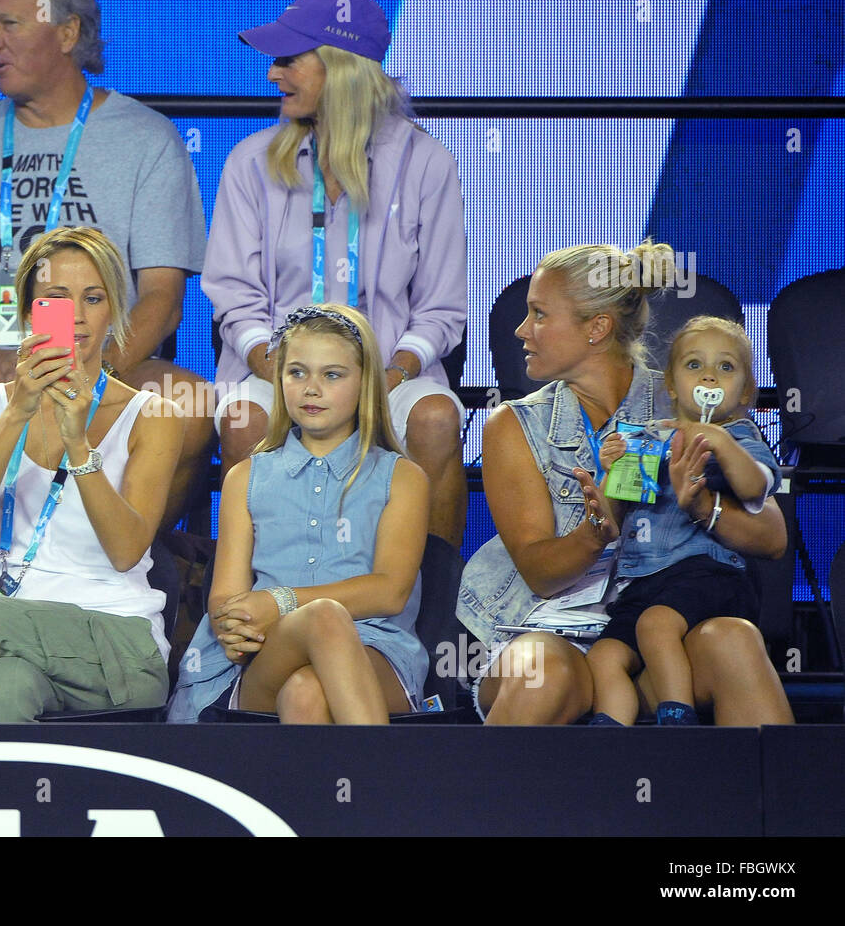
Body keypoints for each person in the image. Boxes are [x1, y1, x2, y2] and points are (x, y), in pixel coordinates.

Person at [0, 0, 209, 533]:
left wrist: (96, 371)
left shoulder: (147, 138)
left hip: (109, 360)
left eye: (9, 24)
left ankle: (145, 548)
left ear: (67, 33)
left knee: (188, 400)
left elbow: (164, 296)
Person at [458, 240, 793, 726]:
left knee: (734, 639)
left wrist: (699, 503)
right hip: (552, 629)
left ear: (597, 328)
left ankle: (786, 800)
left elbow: (773, 539)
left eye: (539, 315)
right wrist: (599, 528)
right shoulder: (513, 425)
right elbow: (540, 573)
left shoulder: (688, 401)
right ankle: (480, 802)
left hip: (657, 632)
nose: (521, 330)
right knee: (541, 670)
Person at [203, 0, 468, 546]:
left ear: (340, 69)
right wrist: (286, 370)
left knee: (438, 419)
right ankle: (244, 599)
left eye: (288, 60)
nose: (274, 75)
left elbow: (441, 309)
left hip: (390, 372)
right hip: (275, 368)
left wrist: (382, 377)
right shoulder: (250, 163)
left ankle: (436, 608)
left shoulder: (427, 164)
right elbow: (233, 295)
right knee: (245, 420)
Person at [0, 227, 183, 723]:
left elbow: (126, 551)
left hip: (118, 643)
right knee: (4, 691)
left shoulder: (153, 415)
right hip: (11, 639)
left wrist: (78, 442)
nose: (78, 316)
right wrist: (17, 412)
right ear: (27, 311)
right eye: (58, 299)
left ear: (114, 311)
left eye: (94, 298)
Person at [168, 303, 430, 725]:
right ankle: (386, 785)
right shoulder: (246, 477)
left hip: (376, 648)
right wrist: (232, 624)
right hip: (268, 648)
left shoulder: (401, 477)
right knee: (321, 621)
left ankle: (349, 789)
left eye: (332, 375)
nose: (311, 388)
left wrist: (281, 600)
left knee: (307, 689)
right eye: (297, 372)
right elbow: (226, 594)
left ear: (364, 383)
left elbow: (389, 592)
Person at [586, 316, 789, 725]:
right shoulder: (647, 436)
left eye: (726, 367)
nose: (710, 376)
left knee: (656, 624)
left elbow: (756, 488)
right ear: (672, 385)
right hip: (642, 581)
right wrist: (609, 472)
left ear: (746, 391)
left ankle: (677, 715)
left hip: (709, 574)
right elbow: (613, 514)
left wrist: (717, 441)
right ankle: (609, 730)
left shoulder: (740, 435)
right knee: (605, 655)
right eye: (694, 365)